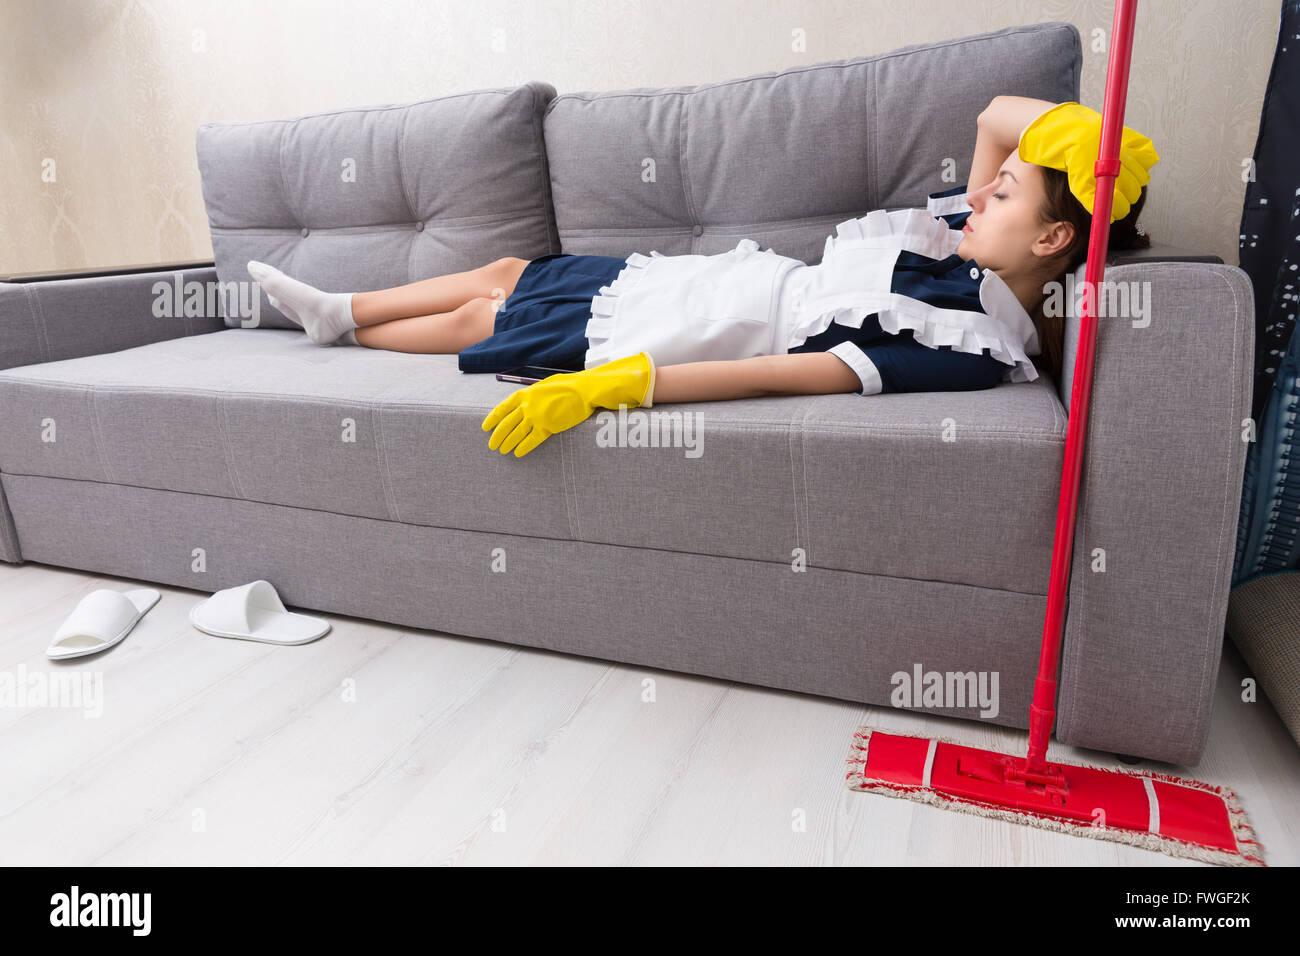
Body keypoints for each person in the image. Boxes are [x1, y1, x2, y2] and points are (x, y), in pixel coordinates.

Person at [246, 95, 1158, 457]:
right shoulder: (959, 239)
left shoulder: (967, 339)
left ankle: (349, 330)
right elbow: (1001, 115)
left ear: (1050, 244)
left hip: (705, 332)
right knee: (512, 268)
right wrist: (1091, 148)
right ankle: (342, 308)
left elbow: (782, 371)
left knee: (487, 317)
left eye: (1005, 195)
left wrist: (617, 385)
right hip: (714, 281)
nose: (982, 192)